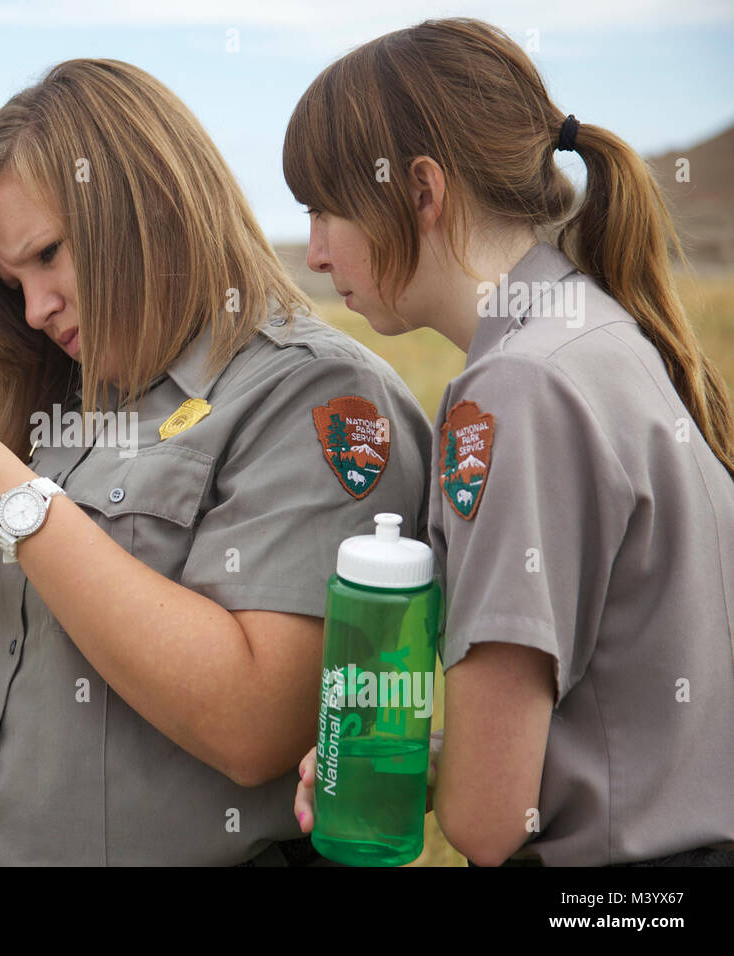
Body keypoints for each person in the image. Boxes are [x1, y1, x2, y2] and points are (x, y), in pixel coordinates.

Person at [0, 59, 434, 865]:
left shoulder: (320, 397)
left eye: (47, 256)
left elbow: (255, 727)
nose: (35, 310)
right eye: (13, 282)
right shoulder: (72, 404)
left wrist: (24, 508)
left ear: (147, 204)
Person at [285, 18, 734, 866]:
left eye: (324, 209)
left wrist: (398, 774)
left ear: (421, 190)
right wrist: (418, 765)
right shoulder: (599, 333)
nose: (312, 253)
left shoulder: (515, 391)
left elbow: (489, 824)